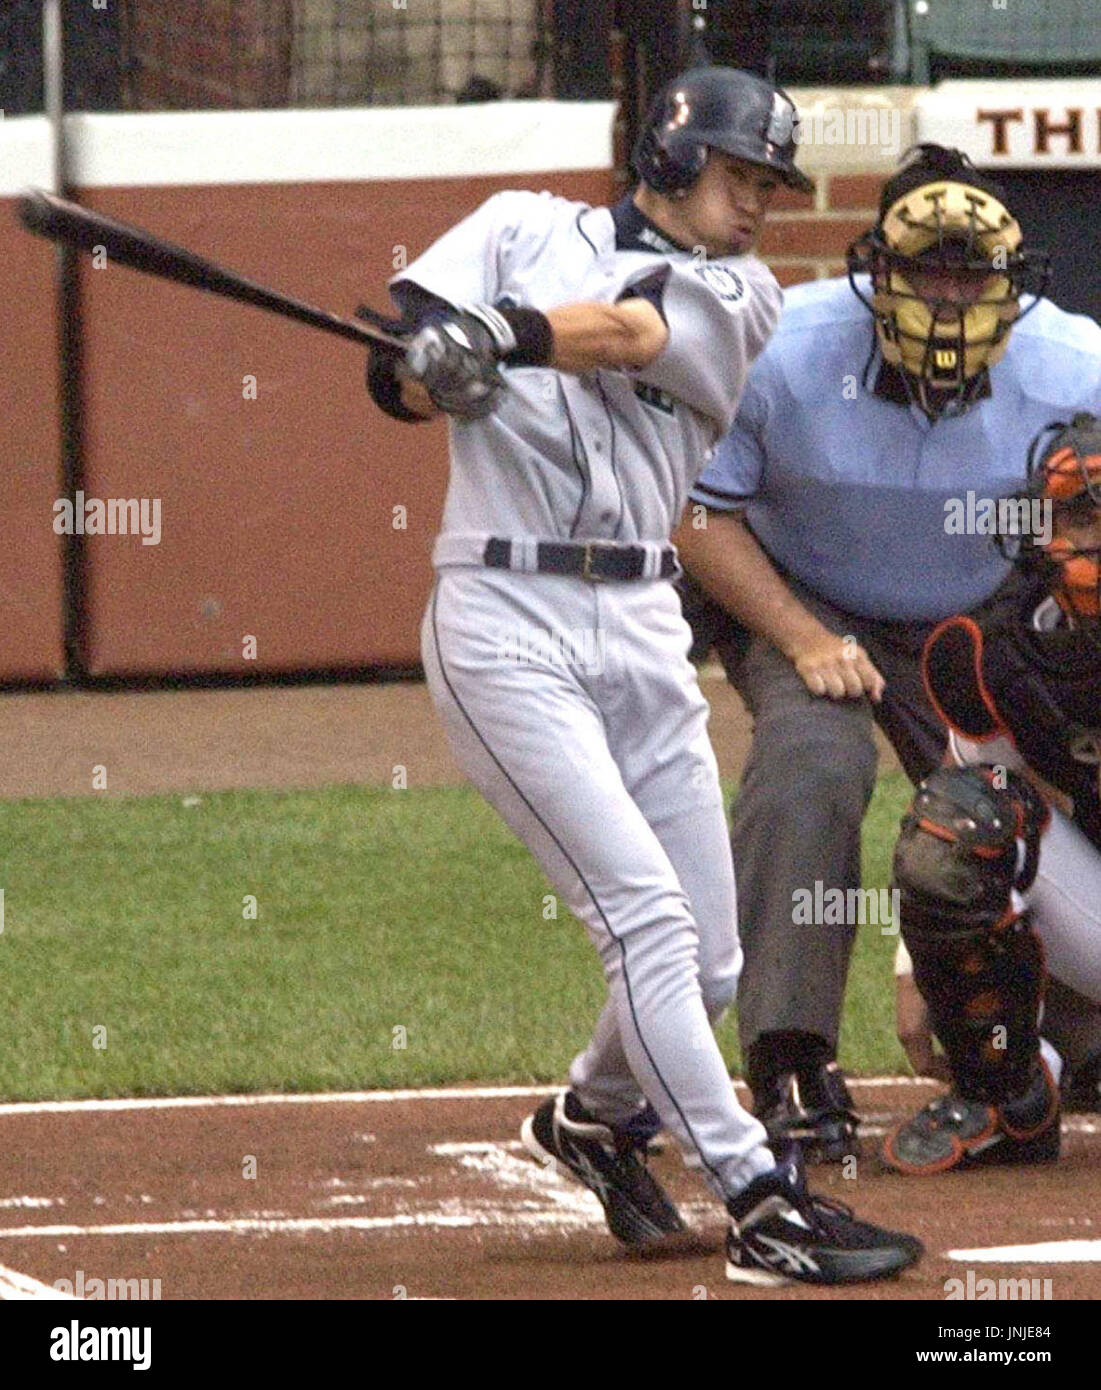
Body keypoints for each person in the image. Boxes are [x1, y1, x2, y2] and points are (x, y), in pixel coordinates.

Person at [363, 65, 921, 1285]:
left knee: (713, 956)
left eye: (769, 184)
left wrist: (499, 335)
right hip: (504, 618)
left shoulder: (746, 292)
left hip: (639, 620)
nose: (757, 203)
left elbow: (625, 332)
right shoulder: (513, 227)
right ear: (669, 157)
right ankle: (761, 1196)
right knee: (648, 922)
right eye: (738, 176)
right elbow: (396, 363)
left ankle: (592, 1118)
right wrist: (424, 370)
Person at [671, 144, 1101, 1161]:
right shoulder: (778, 347)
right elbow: (695, 509)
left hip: (989, 617)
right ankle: (791, 1059)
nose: (950, 296)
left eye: (972, 271)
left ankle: (1047, 1039)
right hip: (807, 595)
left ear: (1011, 279)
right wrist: (801, 633)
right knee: (815, 760)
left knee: (1003, 809)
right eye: (926, 270)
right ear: (876, 271)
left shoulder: (1078, 361)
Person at [883, 411, 1101, 1172]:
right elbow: (963, 793)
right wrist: (914, 968)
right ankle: (1008, 1092)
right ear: (1038, 525)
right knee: (960, 823)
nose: (1094, 537)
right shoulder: (999, 652)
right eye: (1079, 512)